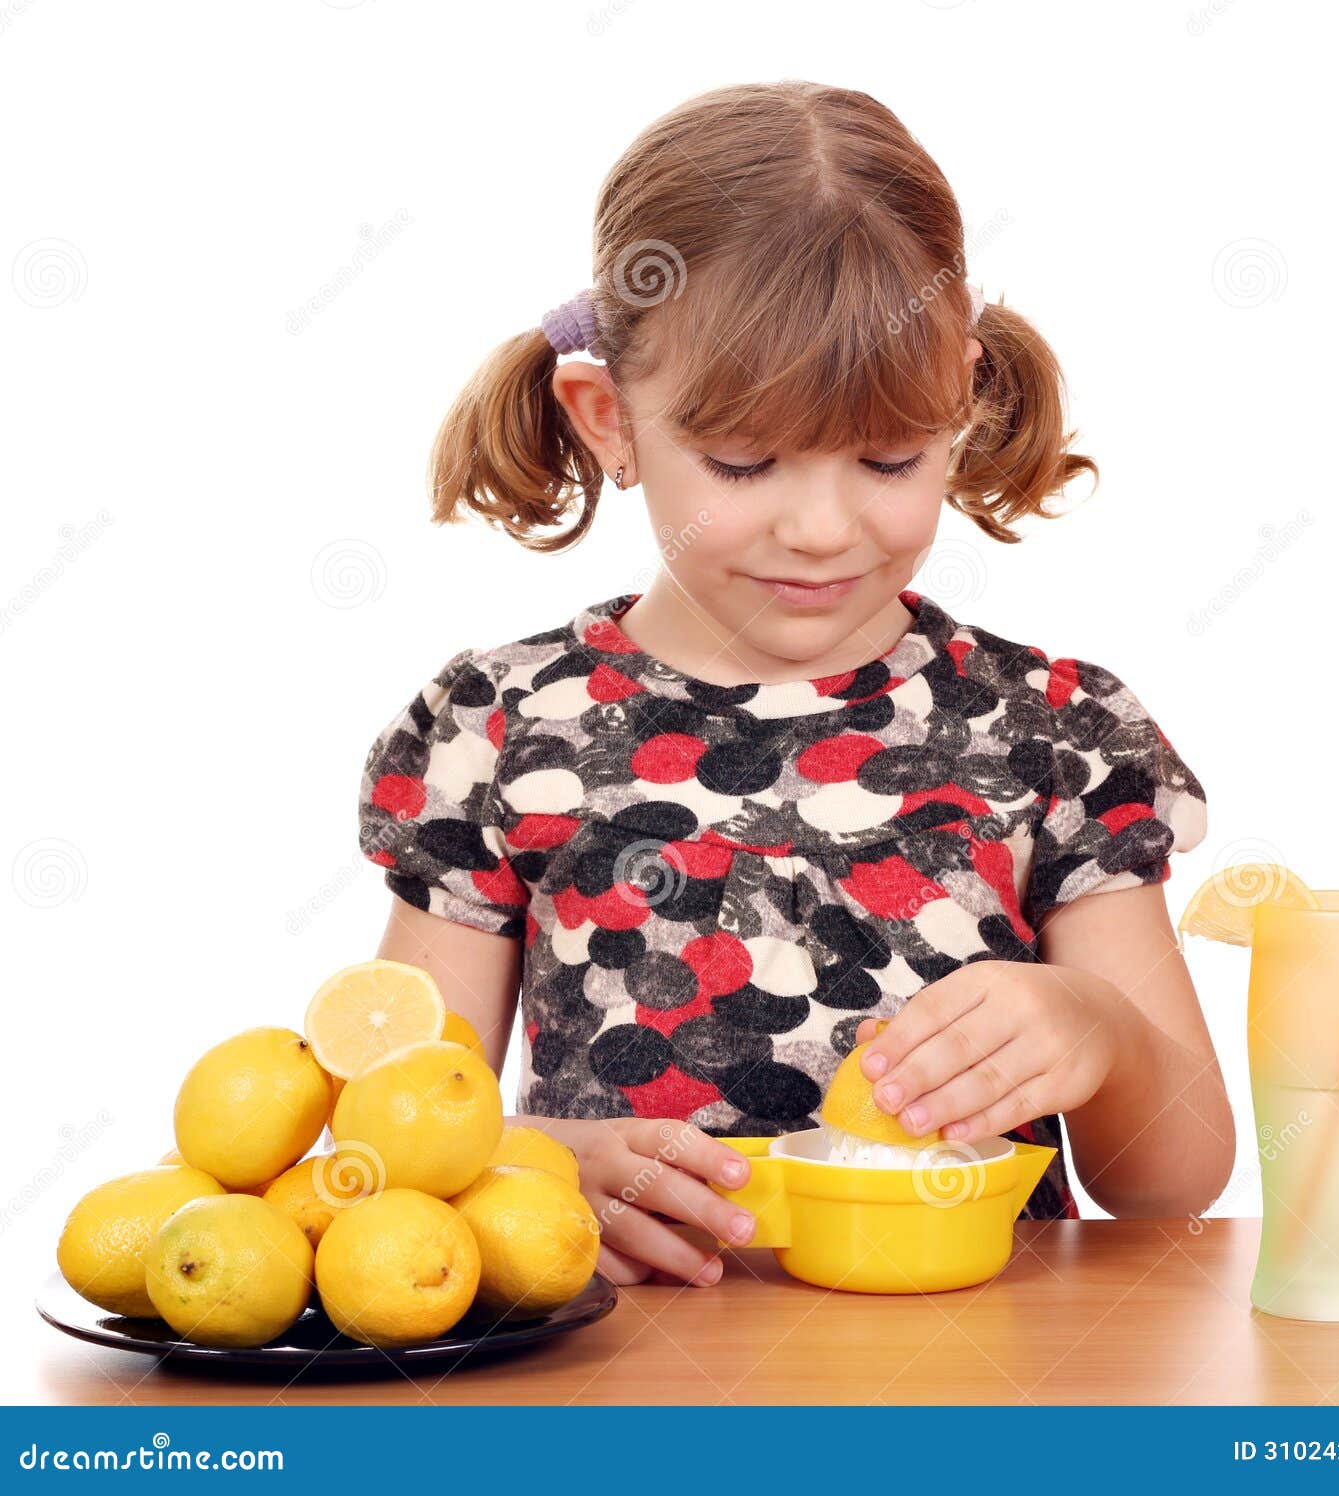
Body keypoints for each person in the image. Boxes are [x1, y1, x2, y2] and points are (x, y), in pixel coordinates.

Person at [358, 81, 1232, 1289]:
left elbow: (1173, 1182)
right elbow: (398, 1143)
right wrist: (540, 1163)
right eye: (743, 461)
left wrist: (1104, 1034)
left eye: (888, 457)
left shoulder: (1051, 731)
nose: (821, 527)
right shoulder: (501, 728)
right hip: (628, 1372)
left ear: (961, 400)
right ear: (609, 419)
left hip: (987, 1369)